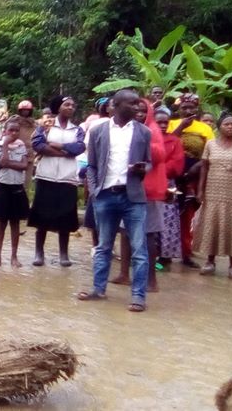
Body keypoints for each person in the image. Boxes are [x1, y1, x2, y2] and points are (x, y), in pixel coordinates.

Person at [77, 89, 153, 312]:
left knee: (139, 249)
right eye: (132, 103)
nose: (137, 107)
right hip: (106, 194)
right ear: (116, 105)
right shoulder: (98, 130)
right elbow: (91, 166)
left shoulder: (144, 132)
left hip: (134, 196)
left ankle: (138, 297)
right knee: (103, 246)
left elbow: (149, 162)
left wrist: (143, 169)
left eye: (138, 103)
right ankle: (98, 289)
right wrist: (94, 191)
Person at [110, 99, 166, 292]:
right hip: (127, 187)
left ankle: (152, 280)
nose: (139, 113)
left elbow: (159, 155)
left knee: (148, 234)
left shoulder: (151, 130)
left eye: (143, 111)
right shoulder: (126, 129)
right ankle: (124, 274)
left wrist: (142, 143)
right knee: (125, 232)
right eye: (136, 110)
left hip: (147, 190)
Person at [29, 95, 85, 267]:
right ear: (58, 107)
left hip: (67, 178)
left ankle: (63, 254)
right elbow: (37, 144)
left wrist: (58, 145)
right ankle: (39, 252)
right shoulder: (45, 126)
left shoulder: (77, 130)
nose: (70, 107)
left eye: (73, 105)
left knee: (65, 217)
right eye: (67, 104)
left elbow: (79, 147)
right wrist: (63, 153)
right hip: (46, 176)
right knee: (42, 217)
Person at [192, 113, 232, 280]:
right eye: (226, 124)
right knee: (212, 223)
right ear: (219, 127)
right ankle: (210, 261)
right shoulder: (210, 144)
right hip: (212, 190)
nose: (230, 127)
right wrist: (200, 190)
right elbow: (204, 167)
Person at [168, 93, 215, 269]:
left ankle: (186, 254)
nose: (188, 111)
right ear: (178, 109)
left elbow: (210, 152)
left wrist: (198, 167)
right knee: (168, 214)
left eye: (191, 108)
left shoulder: (205, 128)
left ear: (197, 109)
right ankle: (164, 255)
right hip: (171, 174)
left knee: (187, 216)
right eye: (184, 108)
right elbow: (167, 144)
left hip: (194, 174)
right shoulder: (171, 124)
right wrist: (182, 126)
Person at [0, 118, 30, 268]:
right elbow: (1, 162)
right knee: (1, 223)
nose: (14, 133)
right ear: (5, 131)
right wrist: (6, 144)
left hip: (17, 187)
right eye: (11, 130)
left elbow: (24, 165)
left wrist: (9, 164)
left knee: (15, 223)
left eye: (16, 130)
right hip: (3, 187)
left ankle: (14, 256)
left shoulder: (22, 146)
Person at [154, 109, 186, 267]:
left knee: (167, 220)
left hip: (168, 184)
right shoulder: (147, 138)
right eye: (159, 122)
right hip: (150, 183)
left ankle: (165, 257)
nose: (162, 125)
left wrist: (159, 170)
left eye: (165, 122)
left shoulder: (175, 141)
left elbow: (177, 163)